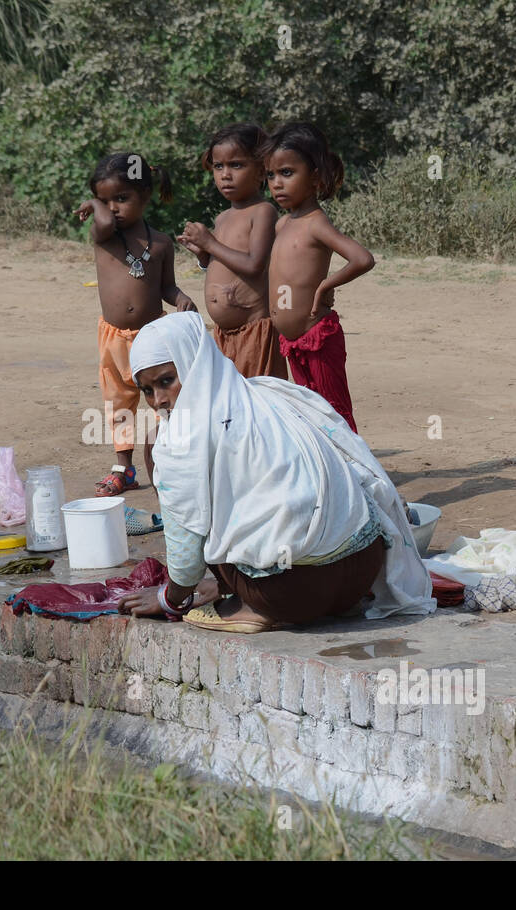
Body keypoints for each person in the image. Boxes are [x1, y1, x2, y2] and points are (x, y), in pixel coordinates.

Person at [115, 313, 435, 631]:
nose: (158, 400)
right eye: (147, 390)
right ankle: (239, 585)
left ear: (193, 364)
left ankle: (253, 606)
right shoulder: (268, 393)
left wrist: (169, 599)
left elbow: (186, 559)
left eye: (166, 381)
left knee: (168, 464)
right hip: (362, 571)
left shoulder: (179, 442)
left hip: (290, 596)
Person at [76, 152, 197, 497]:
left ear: (145, 195)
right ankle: (123, 467)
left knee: (161, 397)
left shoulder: (160, 243)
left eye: (121, 198)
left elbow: (166, 286)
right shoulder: (104, 237)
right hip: (113, 338)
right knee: (119, 401)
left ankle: (167, 459)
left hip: (152, 335)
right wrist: (92, 203)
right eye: (103, 200)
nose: (111, 208)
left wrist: (181, 299)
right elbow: (100, 223)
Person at [263, 121, 373, 433]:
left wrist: (328, 283)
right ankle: (329, 474)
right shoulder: (283, 225)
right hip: (292, 342)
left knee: (334, 411)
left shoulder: (315, 224)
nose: (276, 183)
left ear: (314, 177)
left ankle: (358, 475)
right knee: (311, 410)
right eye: (271, 175)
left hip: (318, 337)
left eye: (287, 173)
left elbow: (362, 258)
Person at [178, 123, 286, 379]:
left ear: (261, 171)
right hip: (224, 335)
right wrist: (204, 256)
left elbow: (254, 265)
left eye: (236, 165)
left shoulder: (263, 212)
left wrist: (210, 243)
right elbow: (224, 266)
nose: (225, 174)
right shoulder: (223, 217)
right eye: (218, 166)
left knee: (257, 402)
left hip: (253, 333)